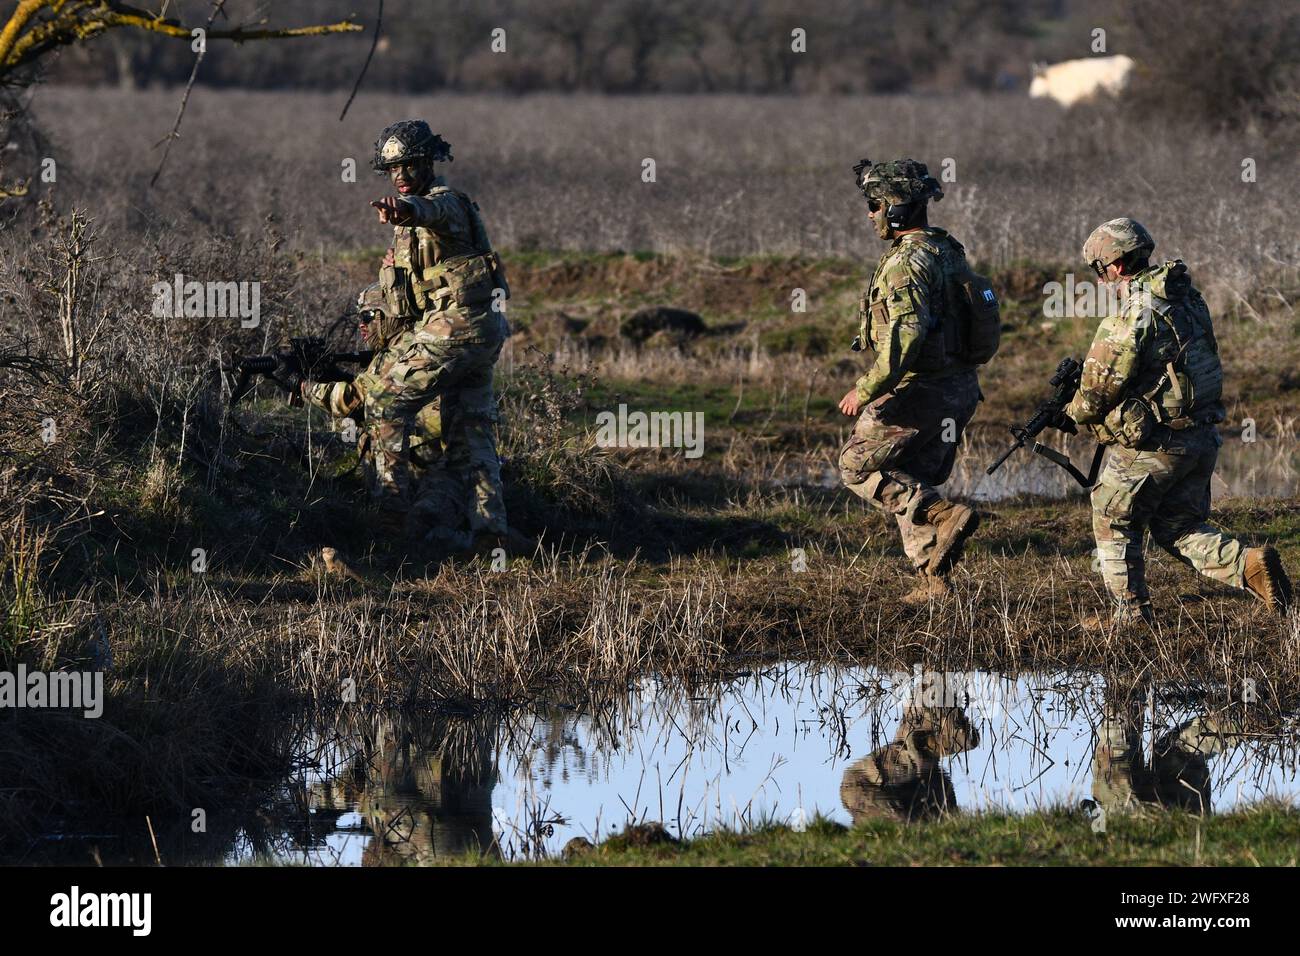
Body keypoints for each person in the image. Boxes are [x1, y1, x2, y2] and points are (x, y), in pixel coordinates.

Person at [1061, 218, 1293, 628]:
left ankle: (1131, 616)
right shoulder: (1189, 299)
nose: (1099, 281)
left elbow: (1096, 393)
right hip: (1201, 436)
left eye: (1098, 271)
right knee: (1176, 524)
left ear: (1115, 266)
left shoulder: (1133, 314)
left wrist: (1071, 411)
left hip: (1160, 443)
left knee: (1113, 516)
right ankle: (1250, 565)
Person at [838, 158, 988, 603]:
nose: (870, 214)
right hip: (959, 387)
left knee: (855, 465)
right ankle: (934, 582)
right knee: (909, 477)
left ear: (896, 208)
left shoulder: (907, 262)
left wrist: (866, 388)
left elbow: (906, 333)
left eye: (874, 204)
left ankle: (942, 514)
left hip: (923, 388)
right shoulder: (947, 250)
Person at [363, 119, 515, 555]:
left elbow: (429, 211)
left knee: (383, 399)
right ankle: (491, 534)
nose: (402, 176)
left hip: (454, 328)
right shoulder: (410, 219)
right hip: (479, 335)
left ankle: (390, 518)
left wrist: (405, 210)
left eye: (410, 166)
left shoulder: (442, 203)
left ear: (430, 163)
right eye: (393, 170)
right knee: (470, 432)